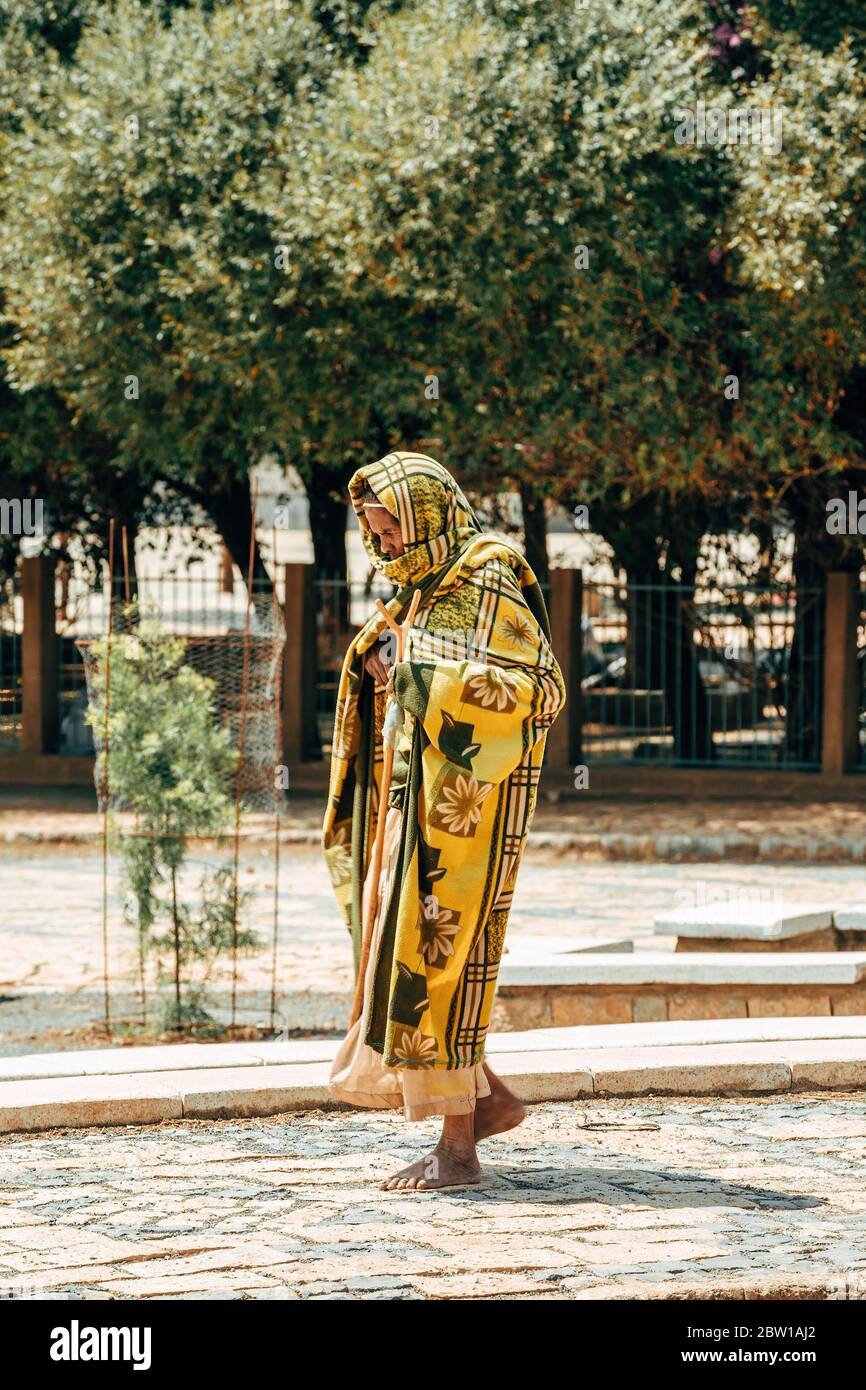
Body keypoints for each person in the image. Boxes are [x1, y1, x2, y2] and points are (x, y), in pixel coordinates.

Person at [322, 451, 565, 1190]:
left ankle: (459, 1151)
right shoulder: (419, 589)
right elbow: (406, 672)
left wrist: (418, 675)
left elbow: (539, 688)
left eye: (391, 524)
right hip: (410, 803)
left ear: (425, 511)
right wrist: (382, 659)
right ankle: (485, 1102)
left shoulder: (489, 575)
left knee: (446, 963)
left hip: (464, 816)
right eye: (374, 528)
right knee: (416, 965)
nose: (384, 540)